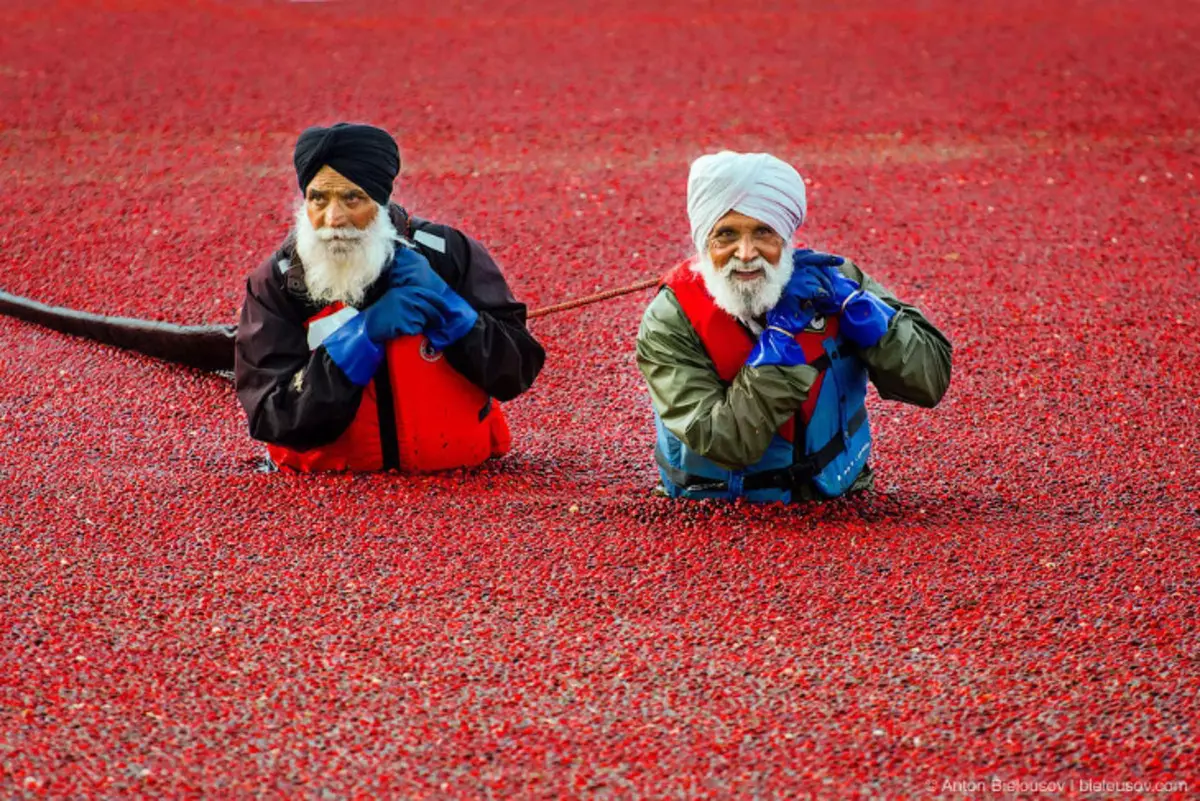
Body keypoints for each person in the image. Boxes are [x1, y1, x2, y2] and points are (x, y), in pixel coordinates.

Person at [636, 151, 952, 502]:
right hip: (724, 514)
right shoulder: (669, 320)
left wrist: (865, 312)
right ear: (703, 242)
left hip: (845, 503)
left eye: (763, 232)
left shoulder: (834, 279)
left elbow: (930, 381)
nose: (745, 253)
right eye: (725, 235)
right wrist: (781, 341)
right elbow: (722, 441)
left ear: (786, 239)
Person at [235, 122, 545, 472]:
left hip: (463, 484)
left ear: (381, 200)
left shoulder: (449, 254)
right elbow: (270, 417)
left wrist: (452, 313)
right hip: (335, 495)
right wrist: (360, 338)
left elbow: (517, 372)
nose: (333, 218)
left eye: (352, 197)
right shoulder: (275, 281)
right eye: (318, 198)